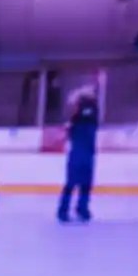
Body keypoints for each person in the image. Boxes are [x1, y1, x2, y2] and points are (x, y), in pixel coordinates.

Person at [57, 86, 99, 223]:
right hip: (80, 153)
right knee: (74, 183)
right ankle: (68, 210)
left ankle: (79, 209)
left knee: (84, 183)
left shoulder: (89, 113)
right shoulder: (79, 114)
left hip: (86, 152)